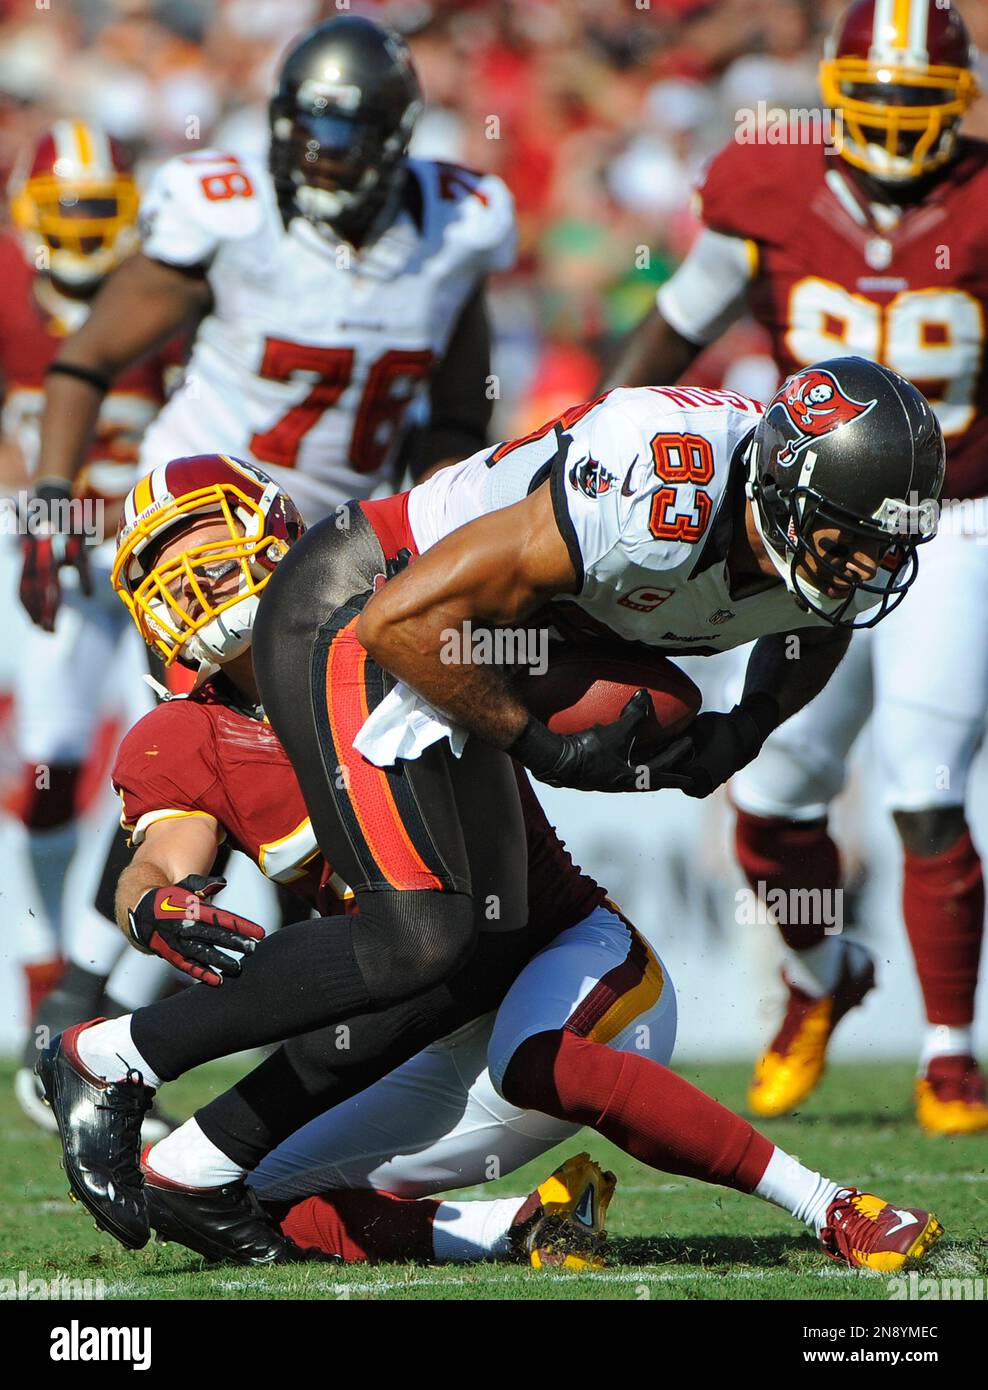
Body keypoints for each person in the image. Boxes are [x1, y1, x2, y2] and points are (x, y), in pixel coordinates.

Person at [45, 454, 942, 1275]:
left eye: (206, 540)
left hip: (557, 958)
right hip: (414, 1016)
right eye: (167, 561)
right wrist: (154, 906)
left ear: (282, 535)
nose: (196, 573)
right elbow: (157, 860)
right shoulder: (180, 737)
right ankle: (519, 1226)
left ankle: (833, 1206)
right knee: (190, 1183)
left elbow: (575, 658)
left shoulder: (396, 638)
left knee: (527, 1051)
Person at [21, 11, 517, 1115]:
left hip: (330, 547)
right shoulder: (227, 211)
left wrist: (436, 532)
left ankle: (135, 1016)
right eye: (308, 126)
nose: (322, 151)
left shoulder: (459, 222)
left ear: (392, 134)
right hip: (203, 529)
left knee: (315, 788)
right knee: (239, 764)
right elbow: (90, 355)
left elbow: (450, 411)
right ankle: (113, 1015)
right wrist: (53, 497)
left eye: (346, 129)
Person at [608, 0, 988, 1133]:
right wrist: (600, 429)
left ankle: (948, 1052)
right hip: (807, 526)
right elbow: (674, 323)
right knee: (770, 794)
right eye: (876, 102)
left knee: (923, 783)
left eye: (916, 105)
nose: (893, 129)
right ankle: (820, 978)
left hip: (957, 518)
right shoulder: (764, 188)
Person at [4, 120, 180, 1136]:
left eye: (94, 214)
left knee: (161, 761)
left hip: (154, 546)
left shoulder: (161, 291)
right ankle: (50, 998)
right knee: (53, 758)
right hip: (40, 548)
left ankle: (95, 1009)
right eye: (64, 213)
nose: (79, 234)